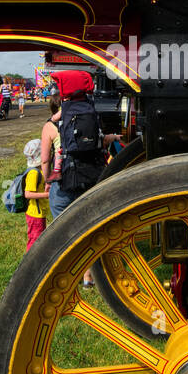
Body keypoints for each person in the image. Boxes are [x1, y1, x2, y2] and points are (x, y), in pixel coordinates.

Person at [44, 71, 122, 285]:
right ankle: (91, 275)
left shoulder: (52, 124)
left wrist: (47, 179)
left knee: (64, 231)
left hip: (65, 180)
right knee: (90, 228)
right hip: (92, 177)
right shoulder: (92, 112)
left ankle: (66, 274)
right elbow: (100, 140)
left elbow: (44, 160)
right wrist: (113, 138)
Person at [22, 137, 49, 250]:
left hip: (39, 212)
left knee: (40, 239)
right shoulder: (33, 173)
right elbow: (27, 194)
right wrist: (47, 195)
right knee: (35, 241)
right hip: (35, 214)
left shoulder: (39, 170)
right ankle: (32, 263)